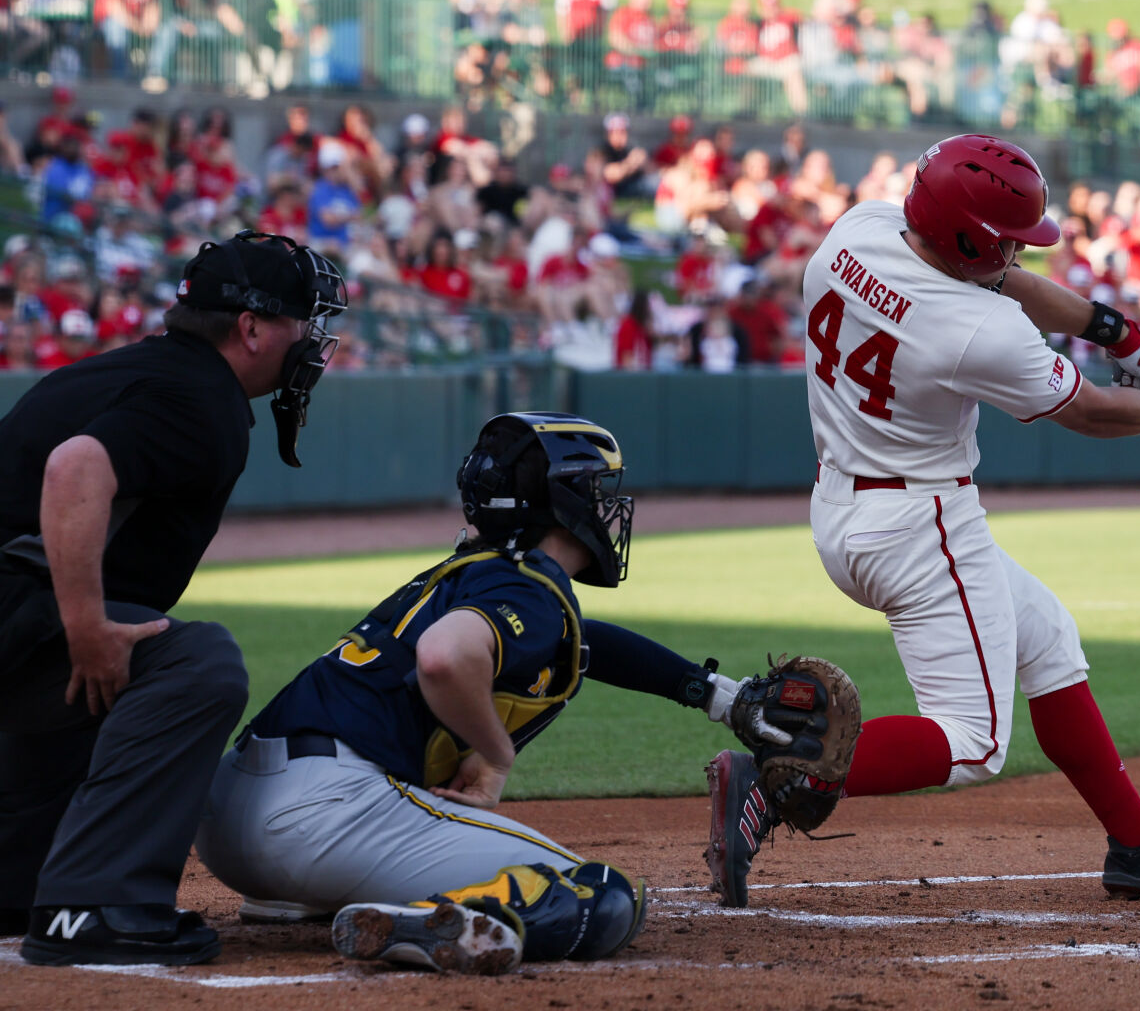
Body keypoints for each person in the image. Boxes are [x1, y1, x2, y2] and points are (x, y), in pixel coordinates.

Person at [704, 133, 1140, 907]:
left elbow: (1006, 279)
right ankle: (775, 775)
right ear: (965, 236)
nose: (1014, 252)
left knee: (1048, 640)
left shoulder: (860, 228)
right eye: (1003, 238)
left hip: (844, 501)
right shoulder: (975, 330)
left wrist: (1118, 334)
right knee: (973, 742)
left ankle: (1139, 846)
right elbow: (1094, 414)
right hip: (920, 523)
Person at [196, 412, 779, 974]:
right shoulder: (530, 588)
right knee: (602, 895)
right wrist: (496, 754)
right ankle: (431, 922)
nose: (605, 505)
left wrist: (717, 697)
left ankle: (311, 894)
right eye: (595, 488)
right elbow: (445, 658)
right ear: (564, 502)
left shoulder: (475, 573)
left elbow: (580, 647)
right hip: (322, 821)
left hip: (230, 822)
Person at [0, 232, 345, 965]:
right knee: (193, 663)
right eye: (302, 324)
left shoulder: (129, 372)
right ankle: (95, 905)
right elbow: (75, 468)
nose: (313, 343)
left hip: (12, 620)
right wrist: (86, 624)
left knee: (101, 669)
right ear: (251, 328)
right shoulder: (199, 398)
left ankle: (22, 888)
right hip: (12, 611)